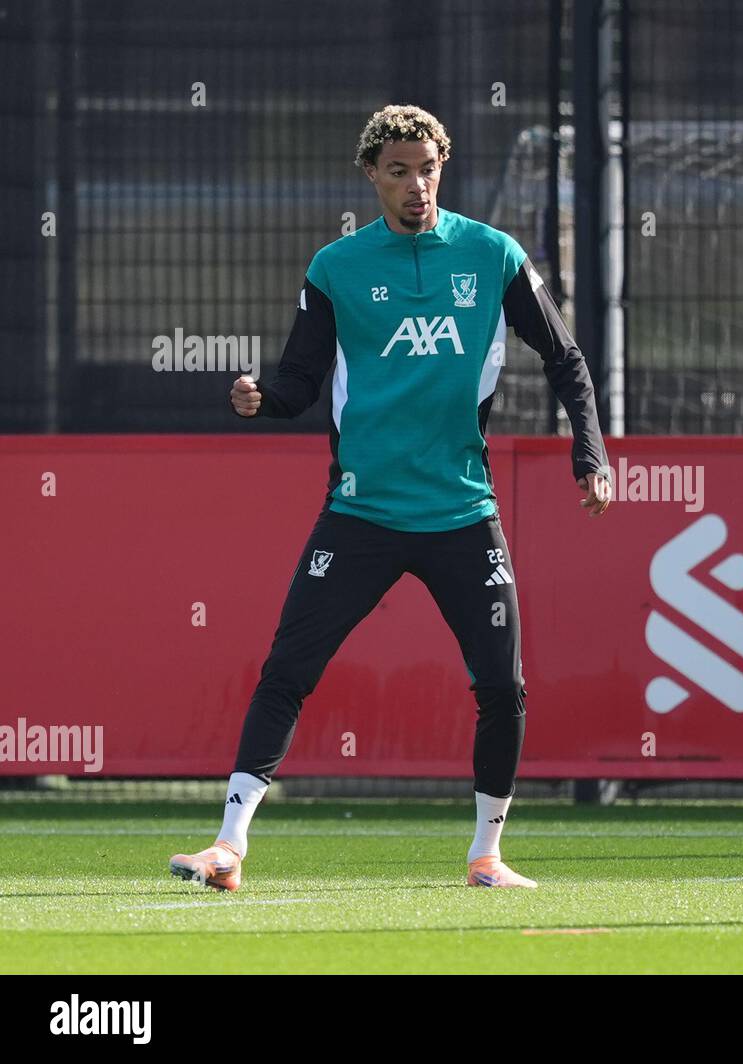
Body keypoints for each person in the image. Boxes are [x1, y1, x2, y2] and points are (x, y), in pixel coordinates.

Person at [169, 104, 611, 892]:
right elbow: (302, 385)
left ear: (443, 168)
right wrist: (261, 398)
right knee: (287, 670)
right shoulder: (336, 267)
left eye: (429, 168)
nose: (417, 185)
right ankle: (228, 848)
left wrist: (591, 452)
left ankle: (486, 856)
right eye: (399, 170)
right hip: (362, 513)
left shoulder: (492, 254)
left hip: (462, 514)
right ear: (369, 175)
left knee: (502, 688)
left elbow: (568, 359)